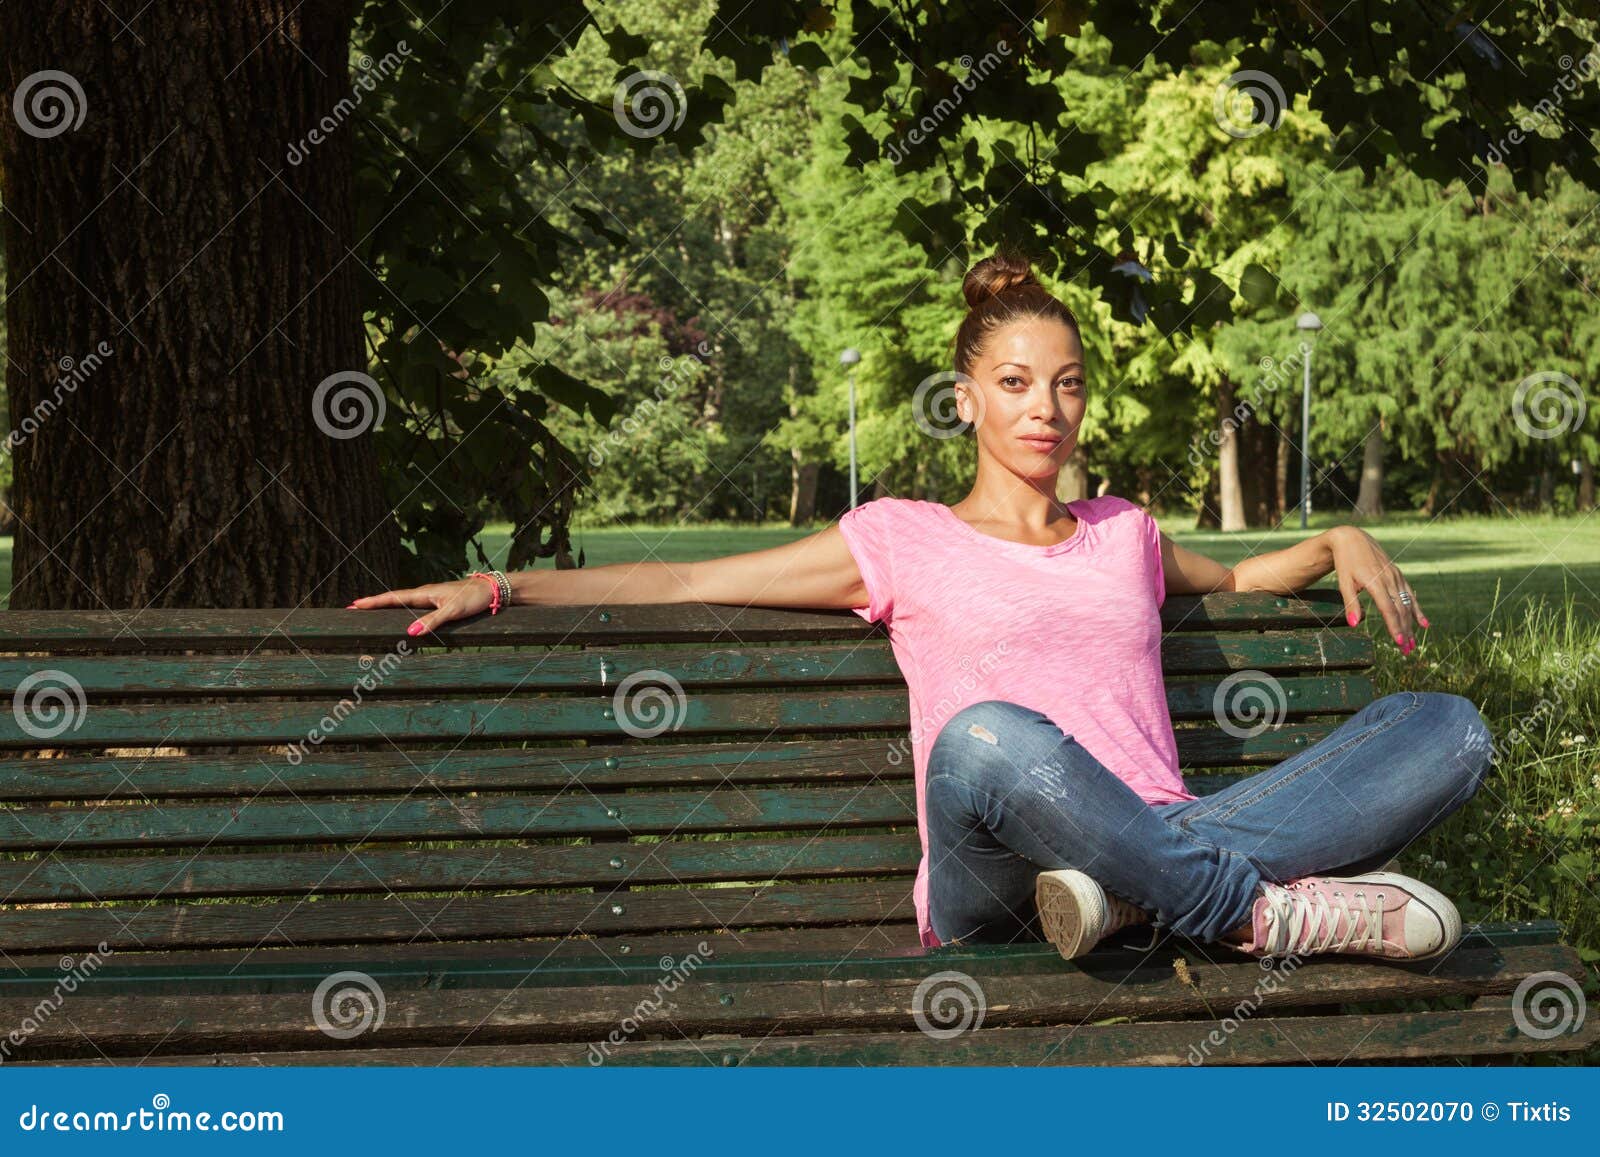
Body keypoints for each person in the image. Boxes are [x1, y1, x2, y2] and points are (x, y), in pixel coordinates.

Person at [348, 250, 1495, 965]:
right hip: (993, 875)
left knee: (1446, 726)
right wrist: (501, 583)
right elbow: (688, 579)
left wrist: (1338, 534)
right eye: (1013, 383)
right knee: (986, 734)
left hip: (1125, 850)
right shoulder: (899, 536)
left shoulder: (1123, 534)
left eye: (1067, 382)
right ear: (966, 400)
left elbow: (1243, 576)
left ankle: (1139, 899)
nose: (1044, 408)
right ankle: (1254, 915)